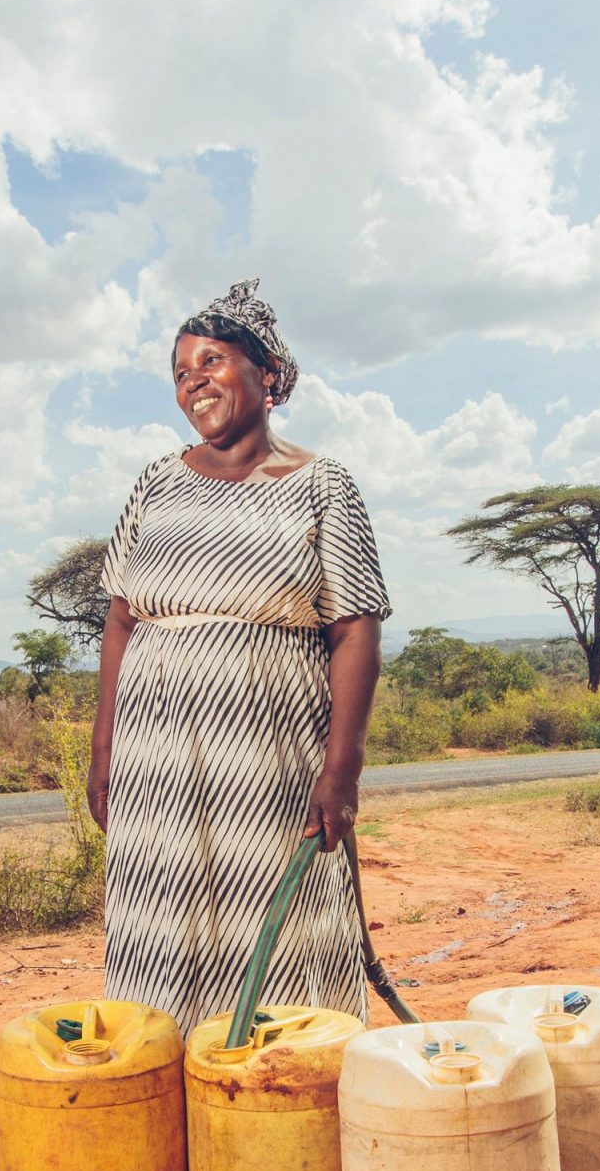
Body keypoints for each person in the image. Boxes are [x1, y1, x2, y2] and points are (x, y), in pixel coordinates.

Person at [88, 279, 390, 1035]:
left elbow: (355, 629)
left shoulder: (323, 485)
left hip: (270, 756)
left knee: (278, 927)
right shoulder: (156, 482)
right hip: (154, 757)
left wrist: (341, 772)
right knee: (165, 918)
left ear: (267, 375)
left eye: (213, 361)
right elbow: (121, 618)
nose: (195, 381)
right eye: (182, 371)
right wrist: (104, 749)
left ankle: (284, 1103)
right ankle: (173, 1103)